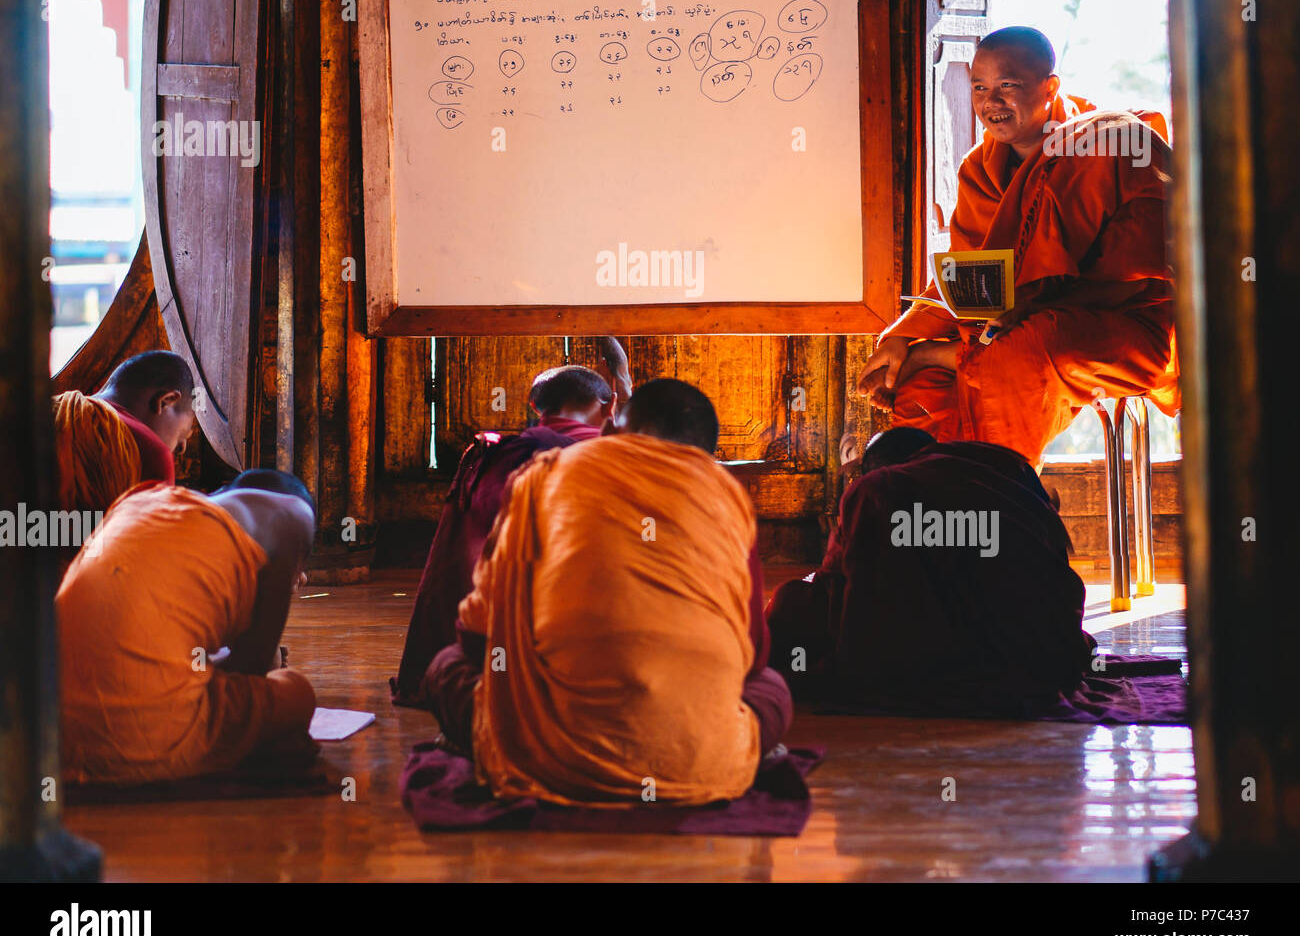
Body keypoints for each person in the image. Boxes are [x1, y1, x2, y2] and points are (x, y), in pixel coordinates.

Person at [425, 378, 792, 806]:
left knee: (445, 668)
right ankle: (718, 747)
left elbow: (475, 637)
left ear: (613, 429)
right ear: (702, 455)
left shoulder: (546, 475)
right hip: (698, 760)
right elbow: (752, 653)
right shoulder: (724, 493)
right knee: (772, 690)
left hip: (551, 759)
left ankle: (500, 743)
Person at [859, 27, 1178, 468]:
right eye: (980, 88)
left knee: (1017, 353)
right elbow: (972, 277)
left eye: (1008, 86)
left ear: (1050, 87)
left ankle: (1004, 507)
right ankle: (935, 511)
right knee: (925, 384)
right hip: (1004, 330)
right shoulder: (981, 169)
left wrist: (972, 337)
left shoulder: (1112, 143)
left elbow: (1133, 280)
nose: (992, 102)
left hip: (1122, 329)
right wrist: (906, 334)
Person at [766, 427, 1093, 715]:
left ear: (876, 468)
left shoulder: (880, 487)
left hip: (935, 658)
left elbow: (844, 583)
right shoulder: (1007, 465)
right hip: (1046, 650)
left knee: (789, 600)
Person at [392, 338, 632, 705]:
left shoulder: (495, 457)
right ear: (608, 406)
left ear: (535, 407)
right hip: (591, 654)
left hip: (488, 644)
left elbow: (452, 569)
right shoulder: (617, 461)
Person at [57, 469, 317, 785]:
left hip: (55, 731)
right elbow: (253, 668)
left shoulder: (143, 501)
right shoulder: (293, 515)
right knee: (296, 690)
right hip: (140, 741)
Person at [53, 350, 196, 517]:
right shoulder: (149, 452)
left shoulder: (53, 409)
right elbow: (148, 538)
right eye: (183, 435)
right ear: (166, 400)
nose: (181, 448)